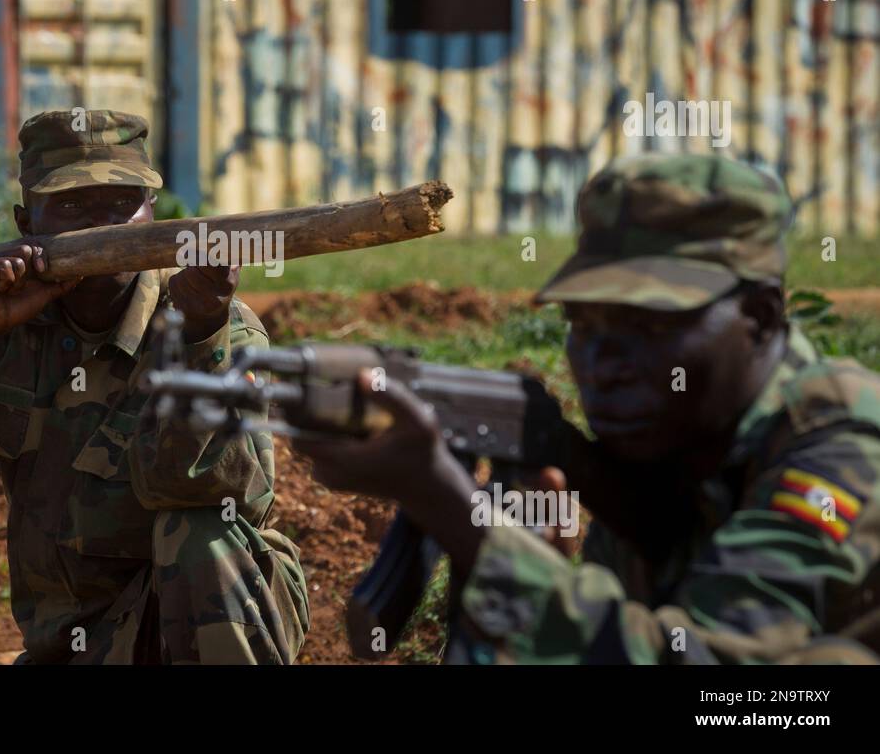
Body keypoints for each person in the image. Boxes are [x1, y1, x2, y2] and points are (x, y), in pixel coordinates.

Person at [294, 153, 880, 664]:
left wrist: (450, 506)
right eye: (584, 324)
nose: (605, 364)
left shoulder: (840, 446)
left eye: (647, 325)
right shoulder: (674, 442)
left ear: (760, 317)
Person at [0, 110, 308, 664]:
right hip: (73, 647)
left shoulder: (218, 324)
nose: (103, 226)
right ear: (28, 224)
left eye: (123, 203)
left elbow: (226, 499)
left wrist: (199, 339)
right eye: (72, 206)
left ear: (153, 212)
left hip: (186, 630)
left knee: (200, 538)